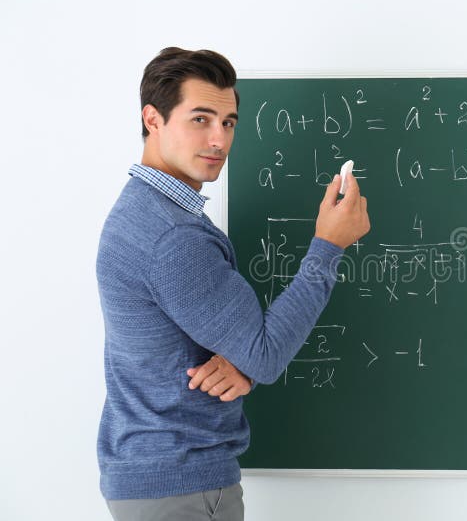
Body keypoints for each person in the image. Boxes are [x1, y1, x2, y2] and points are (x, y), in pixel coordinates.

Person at [96, 47, 370, 520]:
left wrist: (242, 363)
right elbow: (263, 352)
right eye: (200, 119)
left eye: (229, 122)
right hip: (182, 483)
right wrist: (328, 246)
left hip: (156, 474)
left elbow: (237, 352)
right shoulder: (174, 236)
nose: (219, 138)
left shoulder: (145, 210)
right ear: (153, 119)